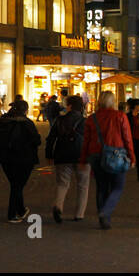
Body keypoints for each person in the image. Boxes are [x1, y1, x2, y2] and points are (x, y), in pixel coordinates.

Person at [80, 89, 135, 230]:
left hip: (96, 156)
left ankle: (104, 218)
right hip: (116, 155)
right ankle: (106, 211)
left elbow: (86, 140)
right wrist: (131, 156)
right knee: (118, 186)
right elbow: (127, 138)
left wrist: (83, 159)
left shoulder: (92, 118)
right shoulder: (120, 116)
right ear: (113, 101)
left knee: (101, 186)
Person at [0, 99, 41, 223]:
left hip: (6, 158)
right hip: (24, 158)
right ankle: (12, 214)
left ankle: (20, 210)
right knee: (17, 185)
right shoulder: (27, 123)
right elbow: (36, 140)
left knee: (15, 184)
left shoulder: (3, 122)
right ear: (25, 110)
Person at [47, 94, 90, 223]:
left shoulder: (59, 120)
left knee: (62, 183)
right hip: (82, 156)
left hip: (62, 155)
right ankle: (79, 214)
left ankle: (58, 206)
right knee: (83, 185)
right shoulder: (85, 121)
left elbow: (51, 138)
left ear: (69, 106)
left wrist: (49, 155)